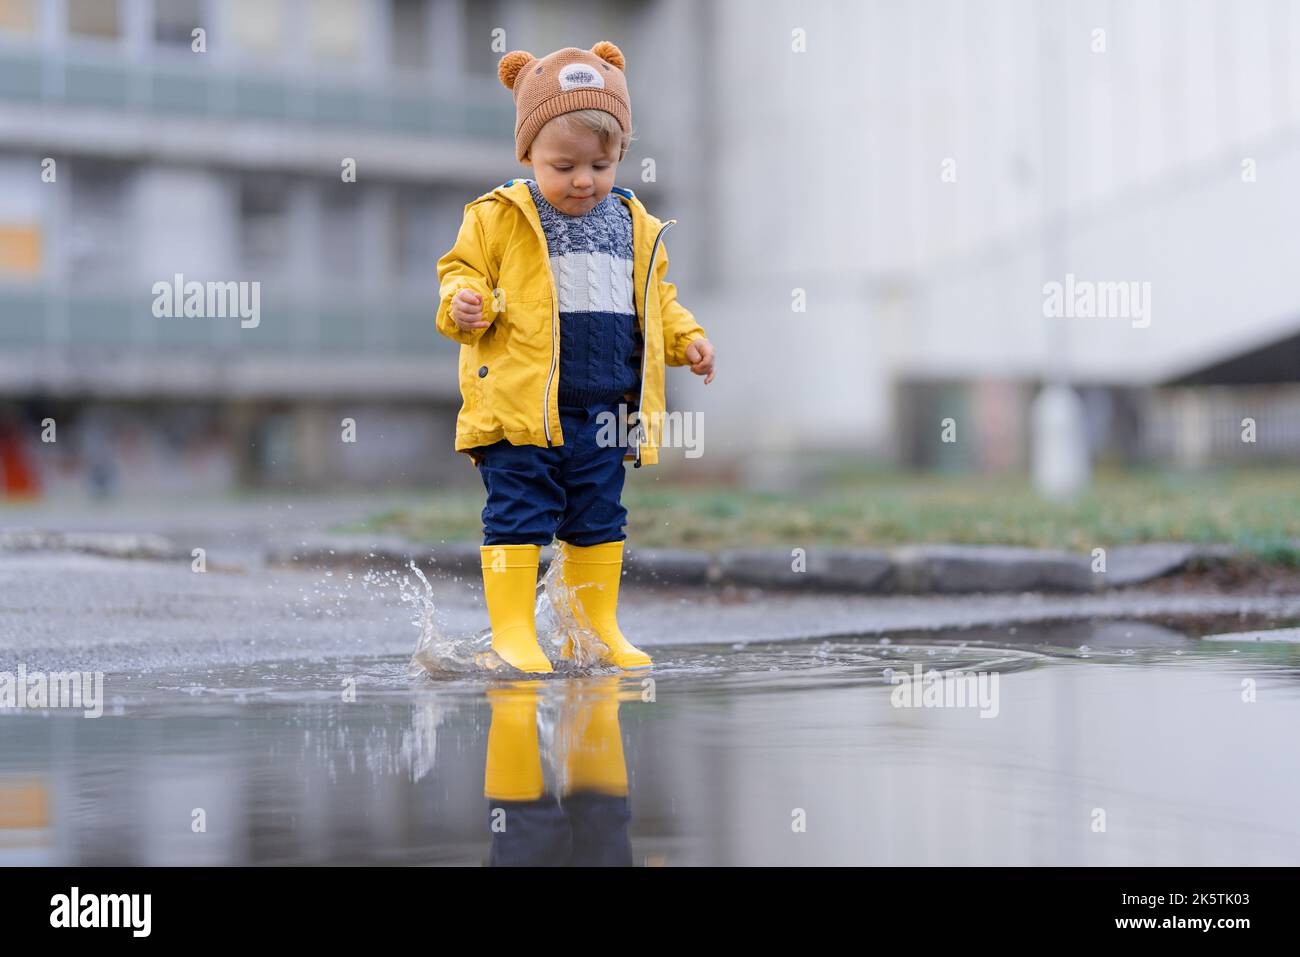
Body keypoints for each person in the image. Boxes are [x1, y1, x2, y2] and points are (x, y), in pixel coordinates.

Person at [435, 42, 716, 674]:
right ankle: (511, 635)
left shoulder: (632, 224)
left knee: (599, 515)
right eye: (563, 165)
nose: (583, 179)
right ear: (528, 153)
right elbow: (458, 274)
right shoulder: (499, 217)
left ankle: (591, 630)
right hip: (521, 408)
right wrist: (463, 304)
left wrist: (685, 338)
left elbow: (657, 299)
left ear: (620, 157)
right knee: (519, 511)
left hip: (606, 410)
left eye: (601, 163)